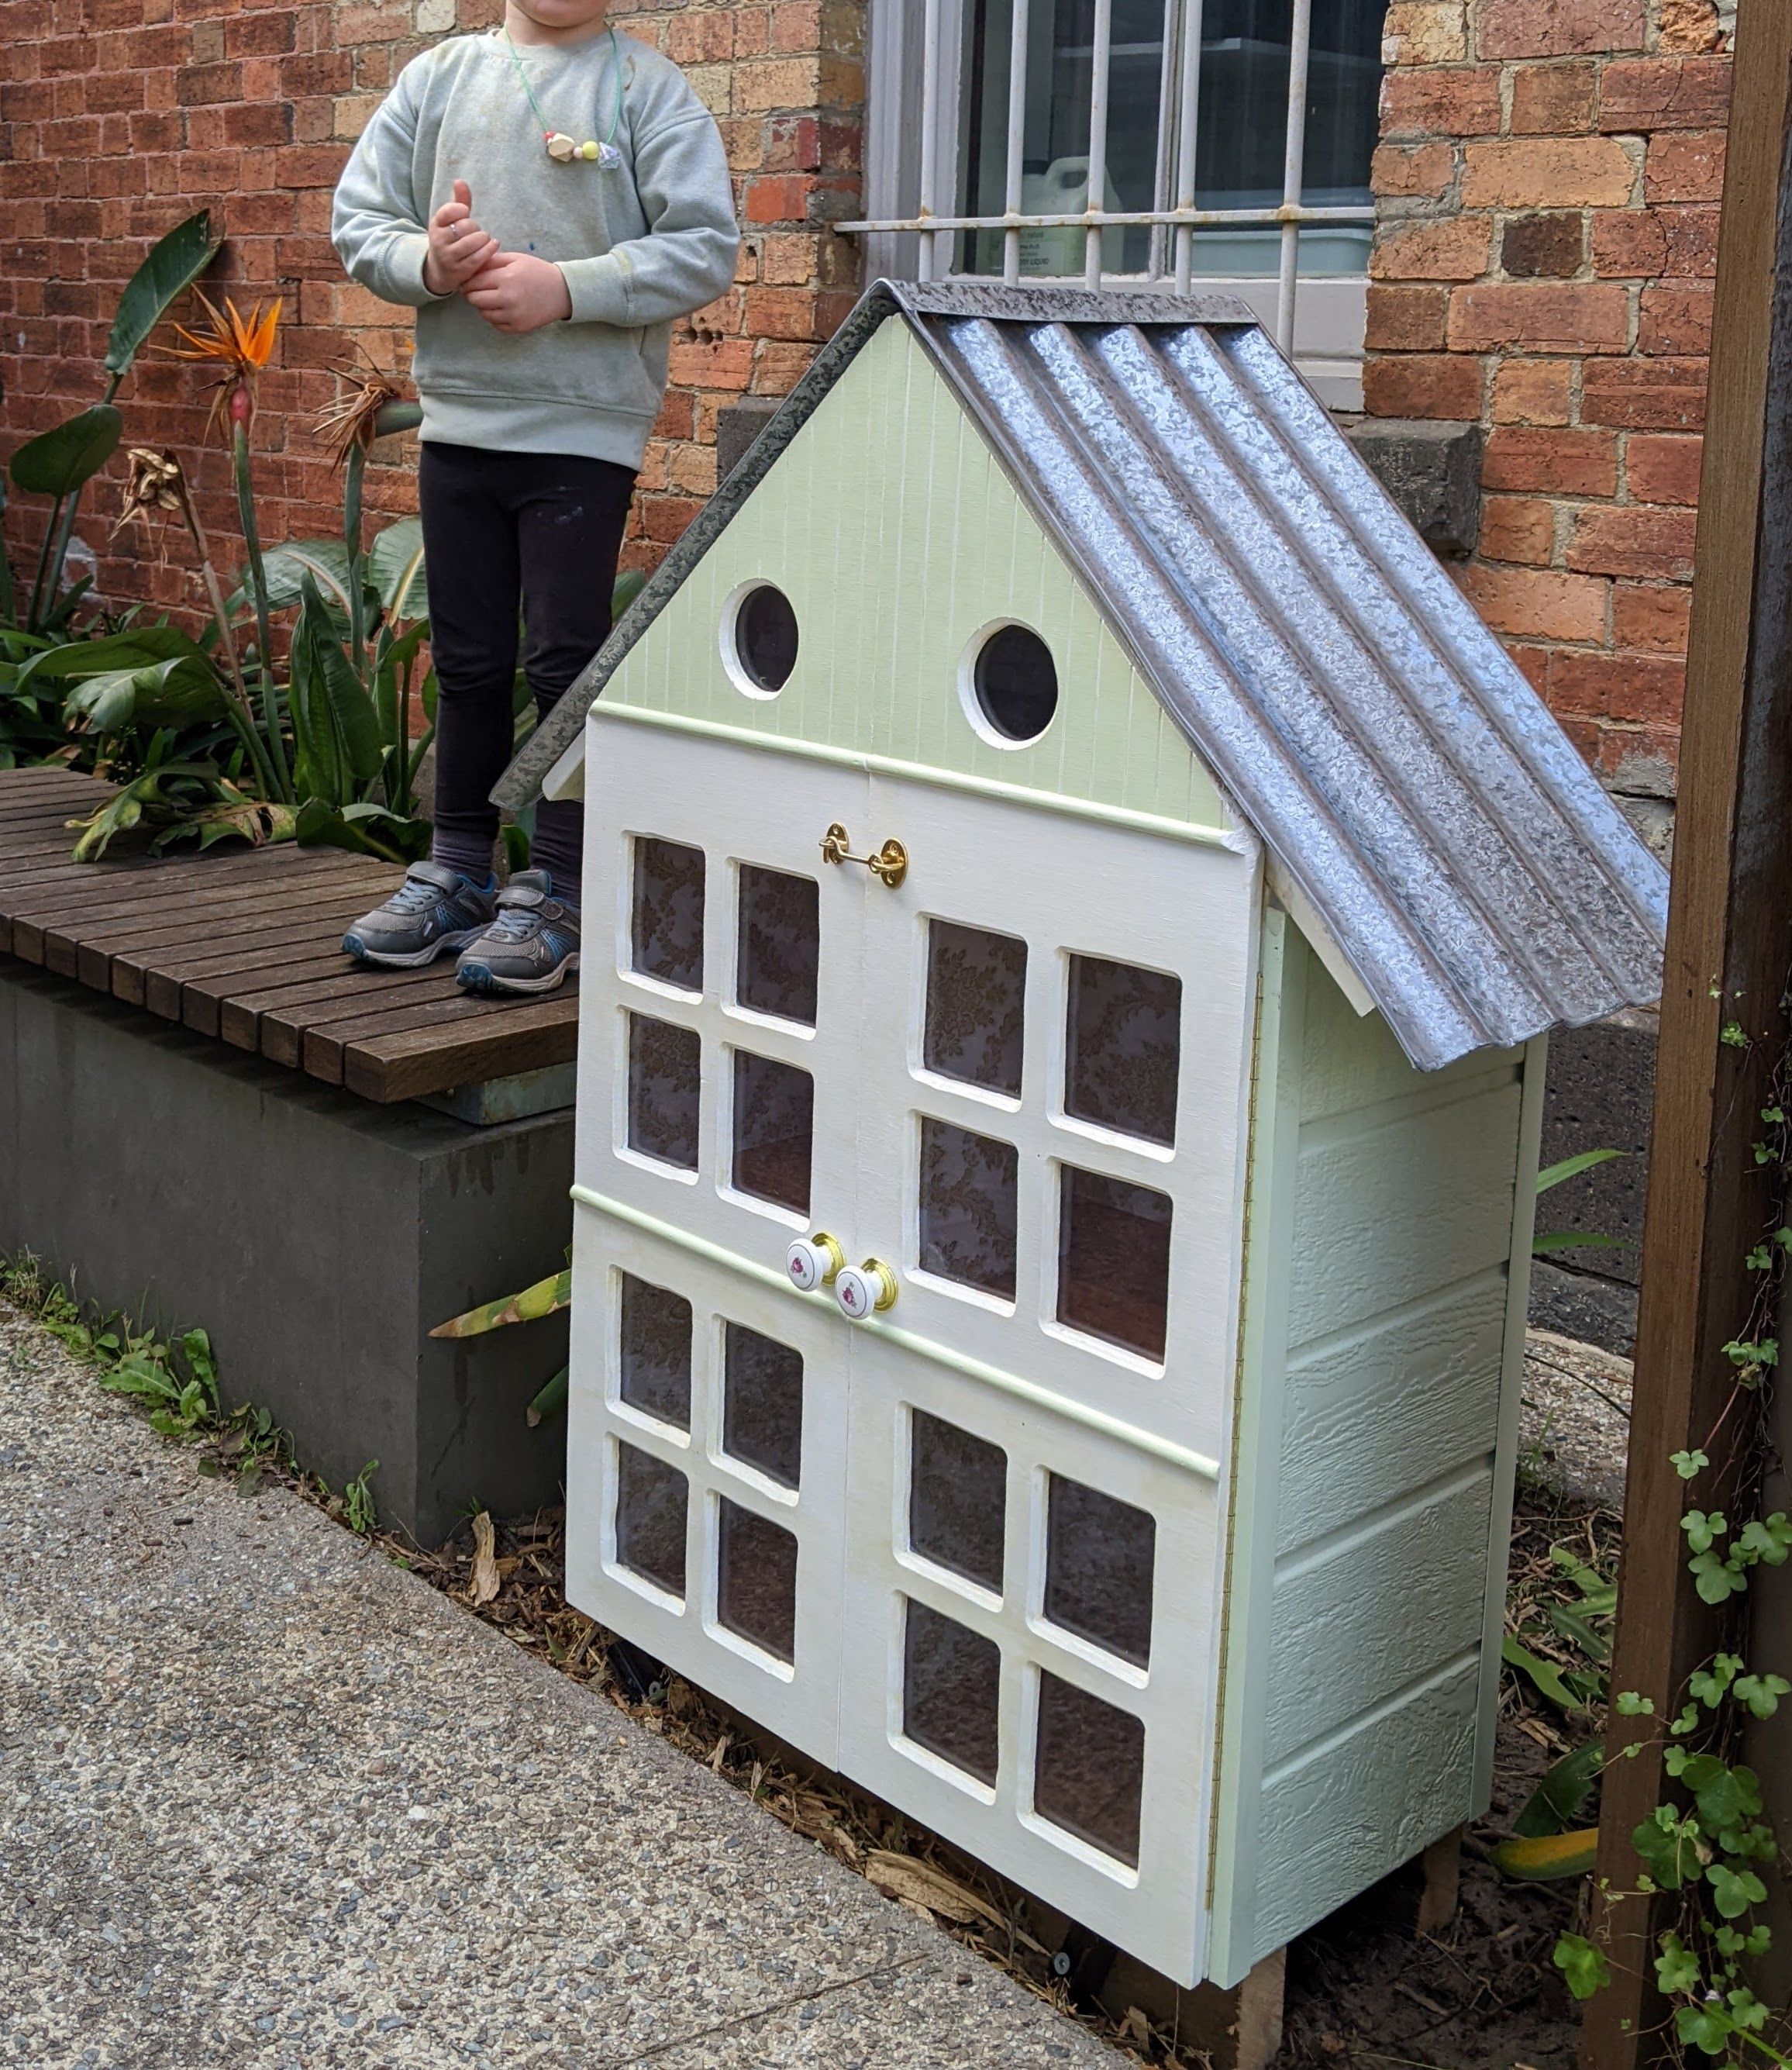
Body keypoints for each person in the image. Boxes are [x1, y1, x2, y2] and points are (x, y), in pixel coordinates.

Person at [330, 0, 738, 993]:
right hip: (461, 425)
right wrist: (428, 263)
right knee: (467, 662)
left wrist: (565, 287)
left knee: (564, 662)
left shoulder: (646, 89)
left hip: (582, 432)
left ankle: (561, 882)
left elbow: (703, 247)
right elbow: (360, 220)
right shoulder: (438, 80)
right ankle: (459, 870)